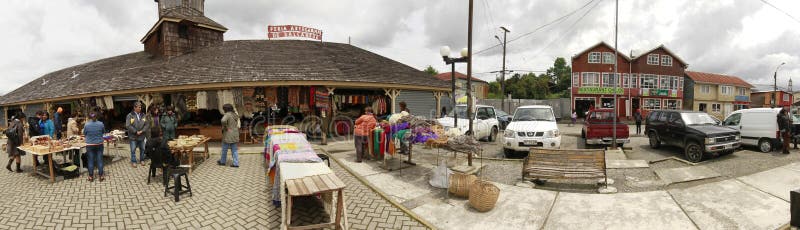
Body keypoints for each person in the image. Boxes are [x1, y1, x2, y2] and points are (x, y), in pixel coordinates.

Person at [83, 110, 105, 182]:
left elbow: (85, 133)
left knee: (90, 161)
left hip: (90, 145)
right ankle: (101, 176)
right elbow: (103, 132)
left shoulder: (87, 125)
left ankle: (91, 176)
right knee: (100, 160)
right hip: (99, 144)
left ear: (90, 117)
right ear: (97, 116)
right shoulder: (101, 124)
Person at [126, 102, 149, 168]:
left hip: (142, 136)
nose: (140, 108)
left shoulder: (143, 115)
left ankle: (142, 160)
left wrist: (143, 130)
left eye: (140, 107)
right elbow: (128, 125)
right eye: (139, 107)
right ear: (134, 108)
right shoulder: (130, 115)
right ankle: (134, 161)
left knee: (143, 149)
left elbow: (147, 124)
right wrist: (135, 131)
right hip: (133, 136)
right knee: (133, 150)